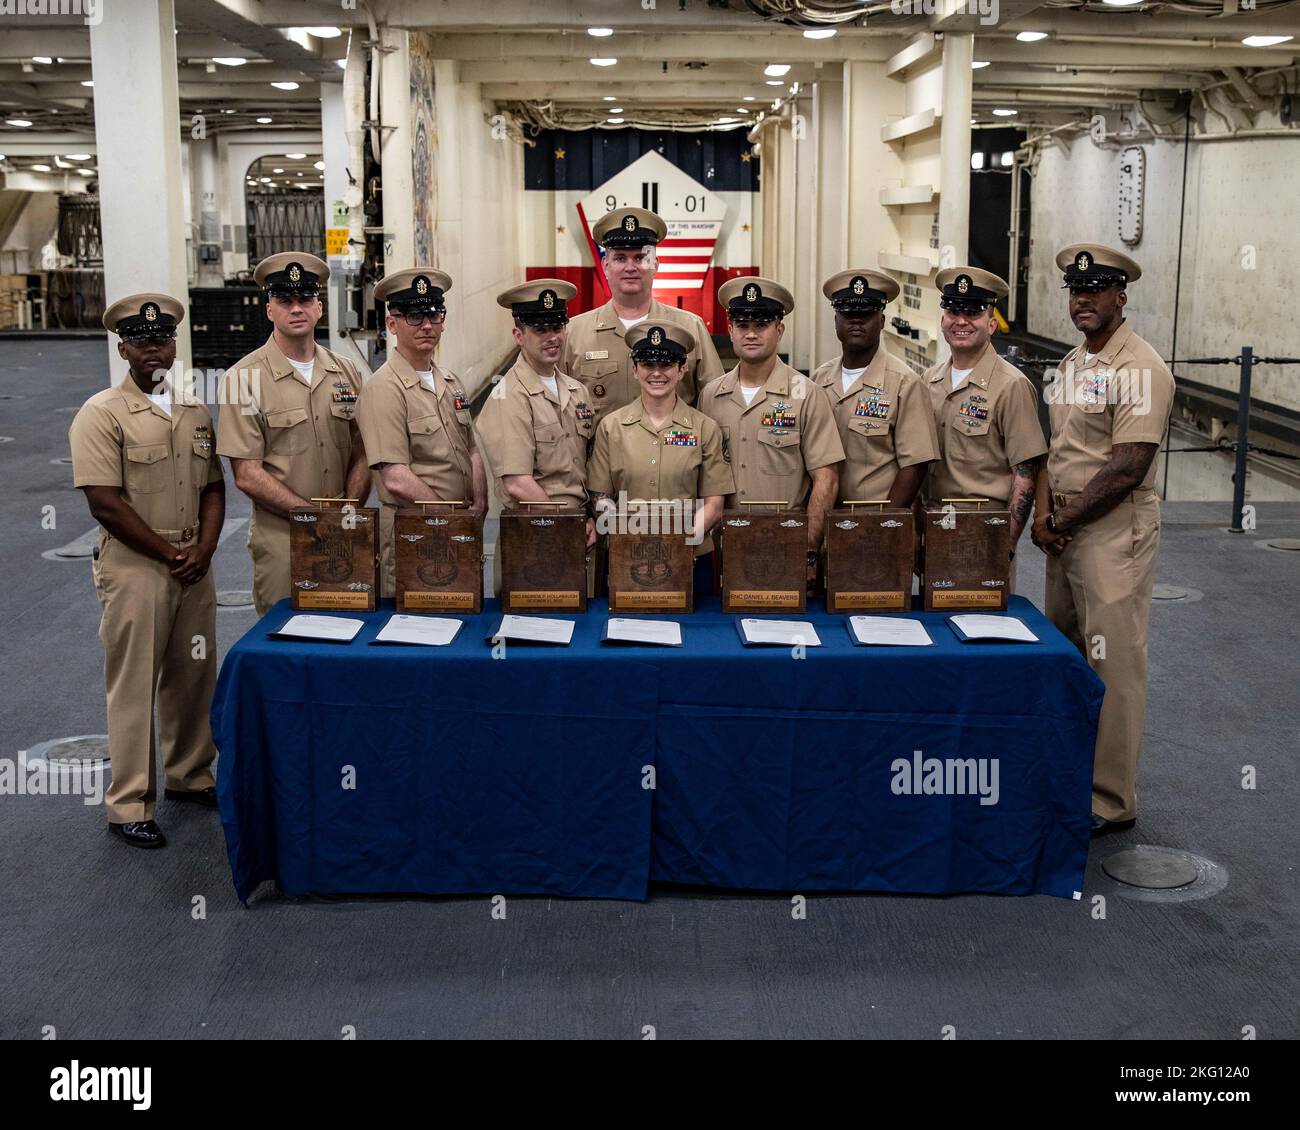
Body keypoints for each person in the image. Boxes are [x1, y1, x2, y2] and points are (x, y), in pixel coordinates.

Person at [69, 293, 225, 849]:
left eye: (162, 338)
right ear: (123, 348)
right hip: (137, 566)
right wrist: (169, 555)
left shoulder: (194, 410)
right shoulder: (102, 414)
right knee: (133, 684)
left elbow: (212, 486)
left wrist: (205, 547)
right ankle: (129, 802)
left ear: (175, 344)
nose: (154, 347)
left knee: (193, 675)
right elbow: (104, 503)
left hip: (193, 564)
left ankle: (189, 774)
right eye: (142, 340)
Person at [1031, 243, 1175, 837]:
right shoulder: (1074, 364)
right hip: (1068, 532)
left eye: (1096, 289)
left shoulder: (1140, 369)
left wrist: (1059, 523)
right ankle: (1070, 775)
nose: (1082, 299)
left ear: (1122, 295)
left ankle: (1111, 799)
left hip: (1112, 532)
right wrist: (1048, 518)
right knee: (1068, 655)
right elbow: (1057, 451)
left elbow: (1127, 467)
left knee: (1113, 664)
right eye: (1074, 290)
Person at [217, 252, 370, 616]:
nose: (296, 308)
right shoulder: (242, 379)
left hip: (344, 528)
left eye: (305, 299)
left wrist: (348, 508)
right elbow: (247, 474)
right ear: (269, 309)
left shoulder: (347, 372)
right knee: (283, 642)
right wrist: (313, 519)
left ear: (319, 307)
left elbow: (364, 451)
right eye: (285, 300)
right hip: (281, 538)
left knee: (345, 633)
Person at [697, 276, 844, 587]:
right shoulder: (711, 395)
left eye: (761, 324)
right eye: (742, 324)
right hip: (724, 547)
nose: (751, 333)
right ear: (731, 330)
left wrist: (808, 551)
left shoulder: (807, 394)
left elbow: (826, 480)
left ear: (779, 330)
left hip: (786, 544)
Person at [355, 268, 487, 596]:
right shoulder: (383, 389)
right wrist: (453, 520)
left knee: (461, 623)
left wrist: (481, 502)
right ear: (391, 324)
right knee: (417, 629)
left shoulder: (450, 381)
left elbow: (472, 448)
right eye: (414, 316)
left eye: (433, 314)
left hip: (460, 527)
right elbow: (395, 478)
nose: (427, 325)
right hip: (415, 531)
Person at [587, 323, 733, 595]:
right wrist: (625, 535)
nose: (656, 373)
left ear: (682, 370)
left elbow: (714, 503)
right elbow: (600, 493)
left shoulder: (704, 429)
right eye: (647, 364)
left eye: (666, 365)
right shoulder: (611, 427)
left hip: (691, 557)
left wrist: (677, 544)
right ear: (634, 369)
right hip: (626, 558)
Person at [921, 267, 1046, 559]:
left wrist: (1006, 547)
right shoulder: (928, 381)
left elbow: (1025, 475)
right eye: (953, 311)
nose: (961, 321)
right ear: (942, 321)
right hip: (933, 528)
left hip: (984, 534)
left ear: (991, 325)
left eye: (973, 312)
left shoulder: (1011, 386)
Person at [476, 279, 597, 567]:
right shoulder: (509, 397)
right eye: (540, 329)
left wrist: (591, 517)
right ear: (519, 335)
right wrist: (569, 526)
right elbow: (518, 483)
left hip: (581, 528)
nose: (551, 337)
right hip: (534, 531)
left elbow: (589, 465)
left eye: (557, 327)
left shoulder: (577, 391)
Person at [561, 207, 723, 421]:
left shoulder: (690, 328)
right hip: (604, 454)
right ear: (605, 266)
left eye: (640, 258)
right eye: (620, 258)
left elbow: (716, 403)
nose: (631, 267)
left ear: (655, 264)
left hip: (675, 452)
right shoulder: (573, 333)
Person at [812, 269, 937, 509]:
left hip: (873, 518)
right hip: (823, 516)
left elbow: (915, 465)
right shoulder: (819, 379)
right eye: (848, 313)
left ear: (881, 321)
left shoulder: (905, 383)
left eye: (866, 313)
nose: (856, 320)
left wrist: (884, 524)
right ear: (836, 320)